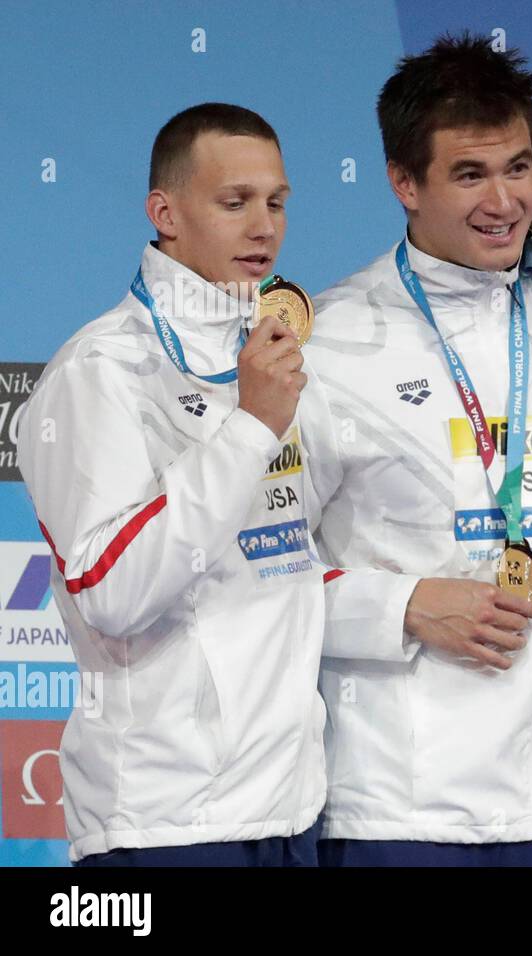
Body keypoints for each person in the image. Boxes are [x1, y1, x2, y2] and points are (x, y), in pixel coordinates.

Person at [300, 33, 532, 866]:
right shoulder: (331, 344)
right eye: (469, 175)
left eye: (519, 168)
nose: (504, 201)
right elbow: (256, 570)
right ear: (403, 182)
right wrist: (402, 606)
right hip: (400, 810)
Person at [17, 103, 324, 865]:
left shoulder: (274, 354)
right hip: (166, 824)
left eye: (277, 202)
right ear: (165, 212)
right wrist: (251, 428)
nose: (265, 227)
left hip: (291, 810)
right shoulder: (101, 372)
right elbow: (113, 592)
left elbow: (295, 565)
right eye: (235, 202)